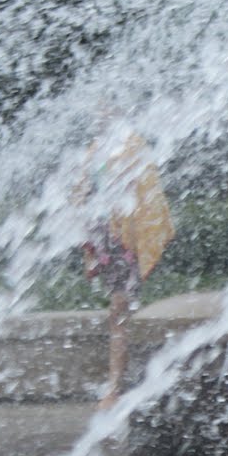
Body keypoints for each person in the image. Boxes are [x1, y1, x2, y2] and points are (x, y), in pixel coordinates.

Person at [78, 113, 174, 409]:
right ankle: (116, 385)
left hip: (126, 239)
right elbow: (83, 194)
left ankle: (115, 388)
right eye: (96, 110)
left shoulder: (132, 145)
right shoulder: (94, 150)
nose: (98, 115)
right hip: (106, 237)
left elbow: (145, 192)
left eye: (106, 109)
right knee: (117, 311)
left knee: (119, 308)